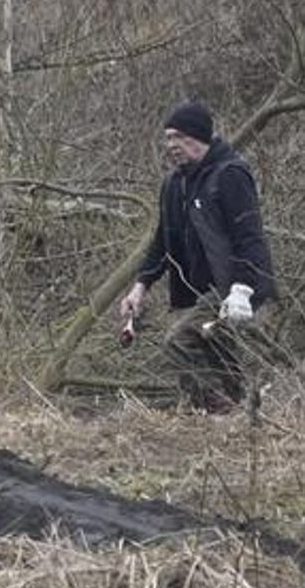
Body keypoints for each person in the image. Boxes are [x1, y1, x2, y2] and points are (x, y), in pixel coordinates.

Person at [118, 101, 277, 413]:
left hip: (233, 286)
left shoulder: (230, 174)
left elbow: (250, 237)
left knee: (178, 341)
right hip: (198, 291)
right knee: (220, 358)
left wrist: (243, 289)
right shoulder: (174, 183)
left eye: (178, 137)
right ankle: (240, 418)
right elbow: (163, 240)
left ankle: (218, 415)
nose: (171, 146)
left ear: (199, 135)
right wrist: (141, 285)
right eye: (167, 138)